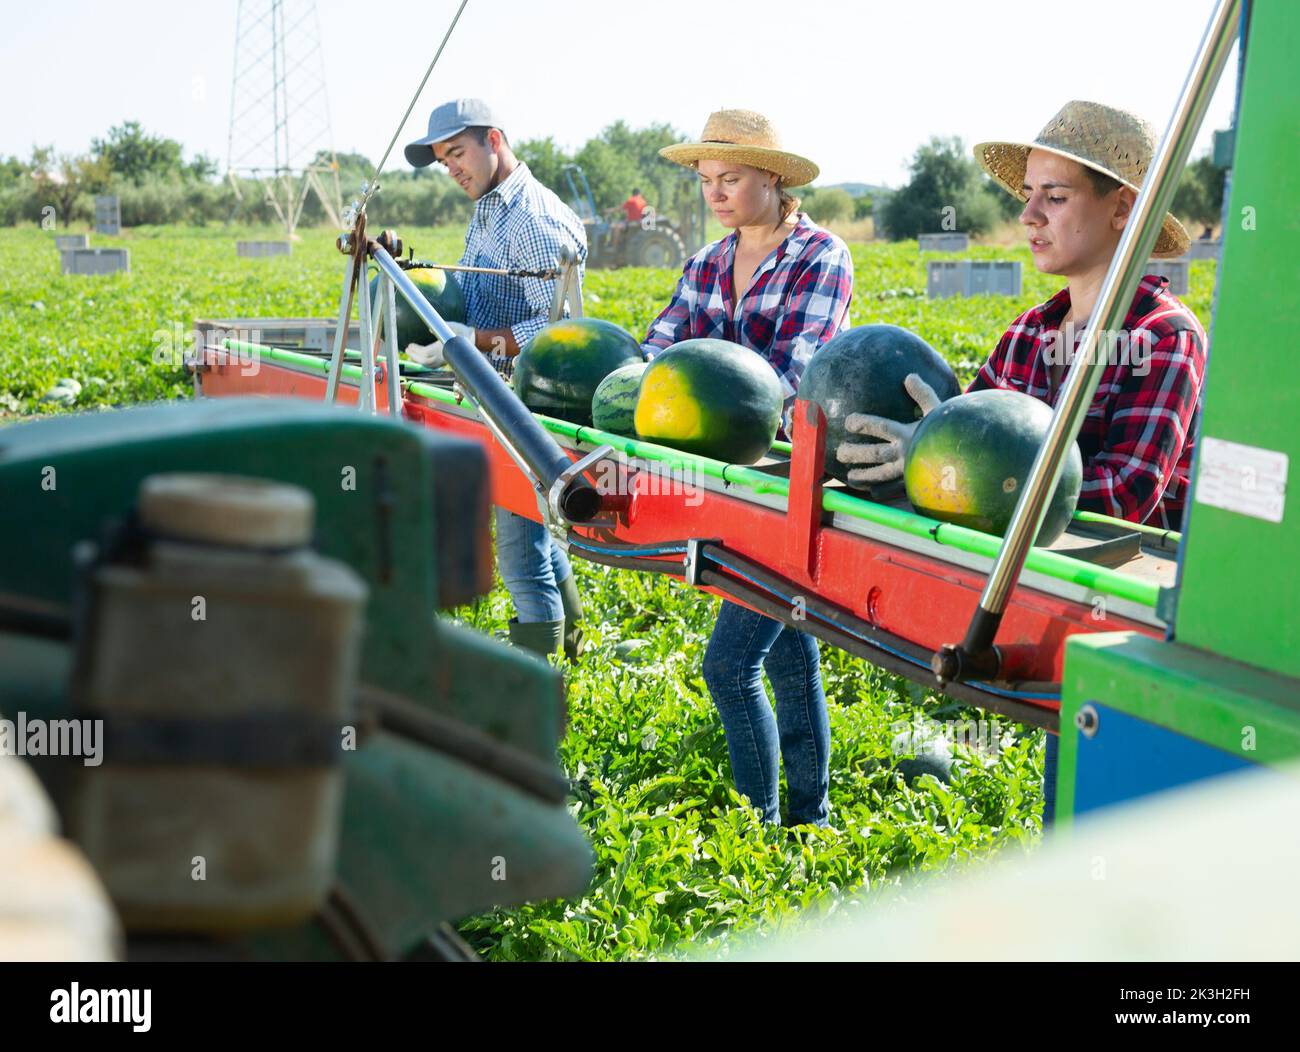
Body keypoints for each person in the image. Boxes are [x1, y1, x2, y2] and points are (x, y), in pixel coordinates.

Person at [835, 100, 1207, 825]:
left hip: (1129, 620)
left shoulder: (1166, 337)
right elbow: (961, 436)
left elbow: (1125, 495)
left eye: (1056, 196)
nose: (1030, 214)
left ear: (1123, 209)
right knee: (1058, 803)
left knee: (1101, 813)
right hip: (1031, 595)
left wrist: (965, 471)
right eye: (1027, 196)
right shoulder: (1029, 334)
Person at [646, 109, 853, 828]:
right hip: (729, 489)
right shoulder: (705, 263)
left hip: (791, 487)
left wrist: (702, 398)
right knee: (791, 654)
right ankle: (810, 817)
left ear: (773, 176)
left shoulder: (821, 256)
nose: (716, 194)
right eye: (707, 180)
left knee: (729, 668)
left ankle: (756, 828)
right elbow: (660, 355)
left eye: (730, 178)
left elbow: (798, 378)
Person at [404, 98, 590, 658]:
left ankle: (545, 687)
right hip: (496, 395)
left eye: (458, 152)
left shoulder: (532, 217)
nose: (453, 168)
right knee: (532, 533)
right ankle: (575, 646)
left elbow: (562, 334)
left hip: (528, 406)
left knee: (518, 557)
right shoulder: (489, 208)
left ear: (494, 140)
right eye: (443, 160)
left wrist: (471, 340)